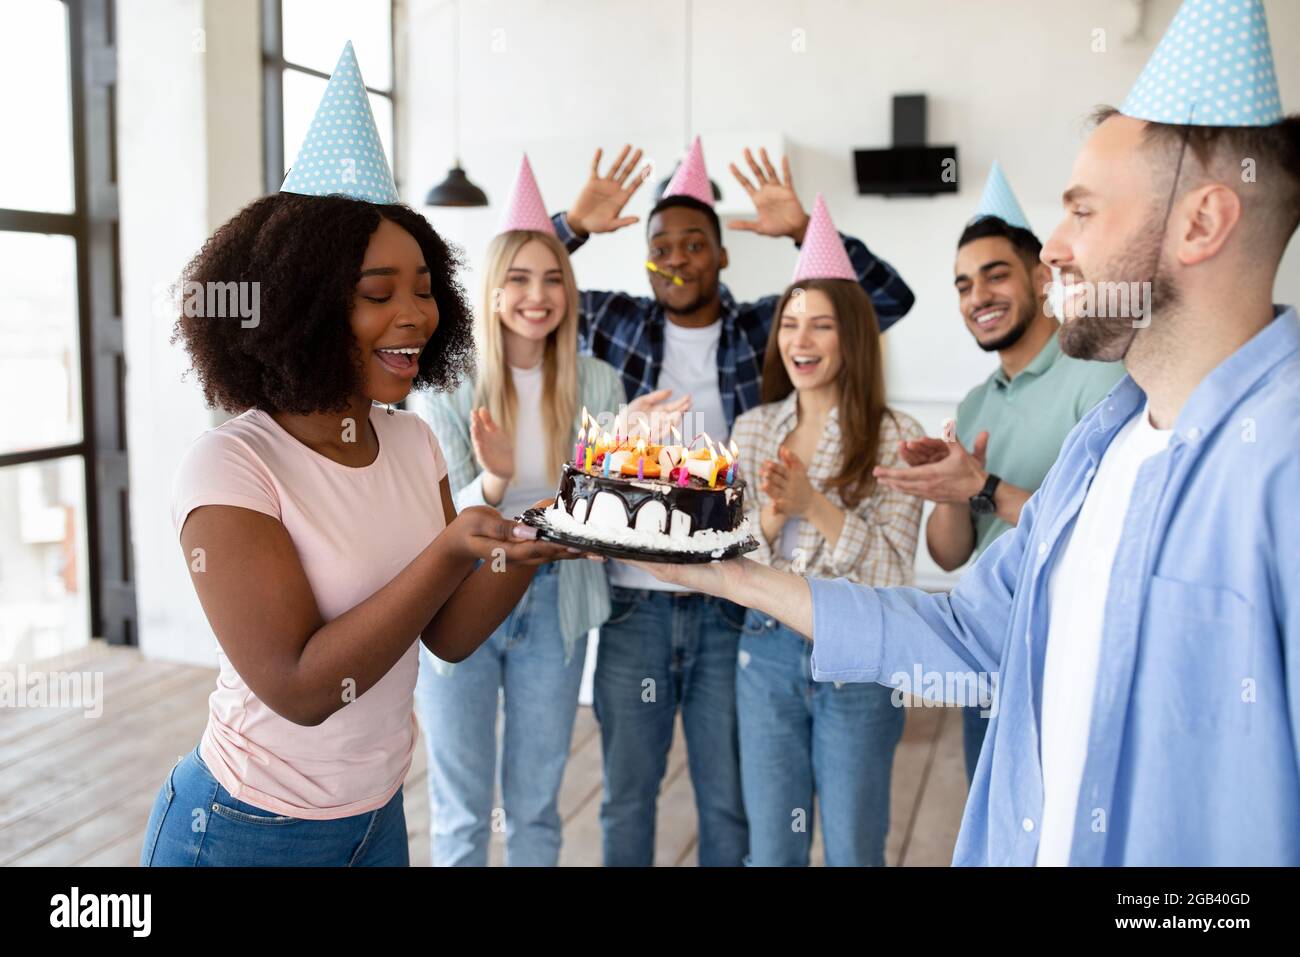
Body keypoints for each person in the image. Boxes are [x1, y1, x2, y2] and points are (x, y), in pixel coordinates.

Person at [626, 0, 1300, 865]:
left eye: (1084, 212)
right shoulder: (1102, 448)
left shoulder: (1279, 466)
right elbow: (968, 634)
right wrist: (733, 577)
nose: (1053, 247)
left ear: (1201, 224)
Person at [140, 45, 575, 867]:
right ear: (301, 309)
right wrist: (452, 545)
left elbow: (444, 633)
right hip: (242, 829)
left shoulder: (410, 440)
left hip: (377, 818)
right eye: (379, 294)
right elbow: (303, 686)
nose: (416, 314)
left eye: (423, 288)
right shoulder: (230, 467)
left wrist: (531, 543)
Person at [556, 138, 916, 865]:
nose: (679, 257)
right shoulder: (614, 322)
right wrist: (573, 226)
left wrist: (799, 231)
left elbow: (882, 303)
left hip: (738, 600)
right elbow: (523, 294)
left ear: (721, 256)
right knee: (627, 791)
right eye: (663, 246)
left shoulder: (765, 328)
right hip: (637, 599)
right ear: (647, 257)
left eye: (696, 244)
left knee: (731, 796)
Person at [411, 156, 630, 866]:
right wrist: (497, 480)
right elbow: (442, 522)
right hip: (461, 602)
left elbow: (609, 502)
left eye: (553, 279)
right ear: (494, 290)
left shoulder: (598, 381)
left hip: (555, 603)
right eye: (520, 278)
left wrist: (625, 469)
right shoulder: (447, 387)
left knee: (536, 809)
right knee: (462, 815)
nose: (538, 296)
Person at [875, 165, 1123, 782]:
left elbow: (1101, 530)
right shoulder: (975, 403)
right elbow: (951, 553)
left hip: (1070, 648)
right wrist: (951, 492)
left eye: (995, 275)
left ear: (1042, 278)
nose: (977, 297)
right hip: (991, 648)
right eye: (963, 285)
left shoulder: (1100, 375)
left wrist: (982, 487)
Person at [728, 196, 924, 866]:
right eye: (790, 324)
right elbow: (731, 561)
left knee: (853, 848)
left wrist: (815, 505)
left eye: (821, 326)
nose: (801, 341)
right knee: (773, 850)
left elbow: (894, 573)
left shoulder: (898, 437)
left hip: (860, 659)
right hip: (764, 656)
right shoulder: (753, 430)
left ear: (853, 337)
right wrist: (775, 514)